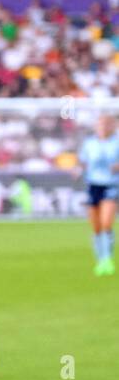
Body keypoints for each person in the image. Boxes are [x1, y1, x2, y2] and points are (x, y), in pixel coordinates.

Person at [78, 114, 118, 276]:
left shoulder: (116, 143)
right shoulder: (89, 143)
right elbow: (83, 162)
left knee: (106, 222)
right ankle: (100, 260)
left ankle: (108, 259)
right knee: (96, 227)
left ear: (111, 126)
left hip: (110, 185)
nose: (101, 128)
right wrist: (78, 170)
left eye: (104, 125)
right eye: (99, 124)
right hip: (93, 185)